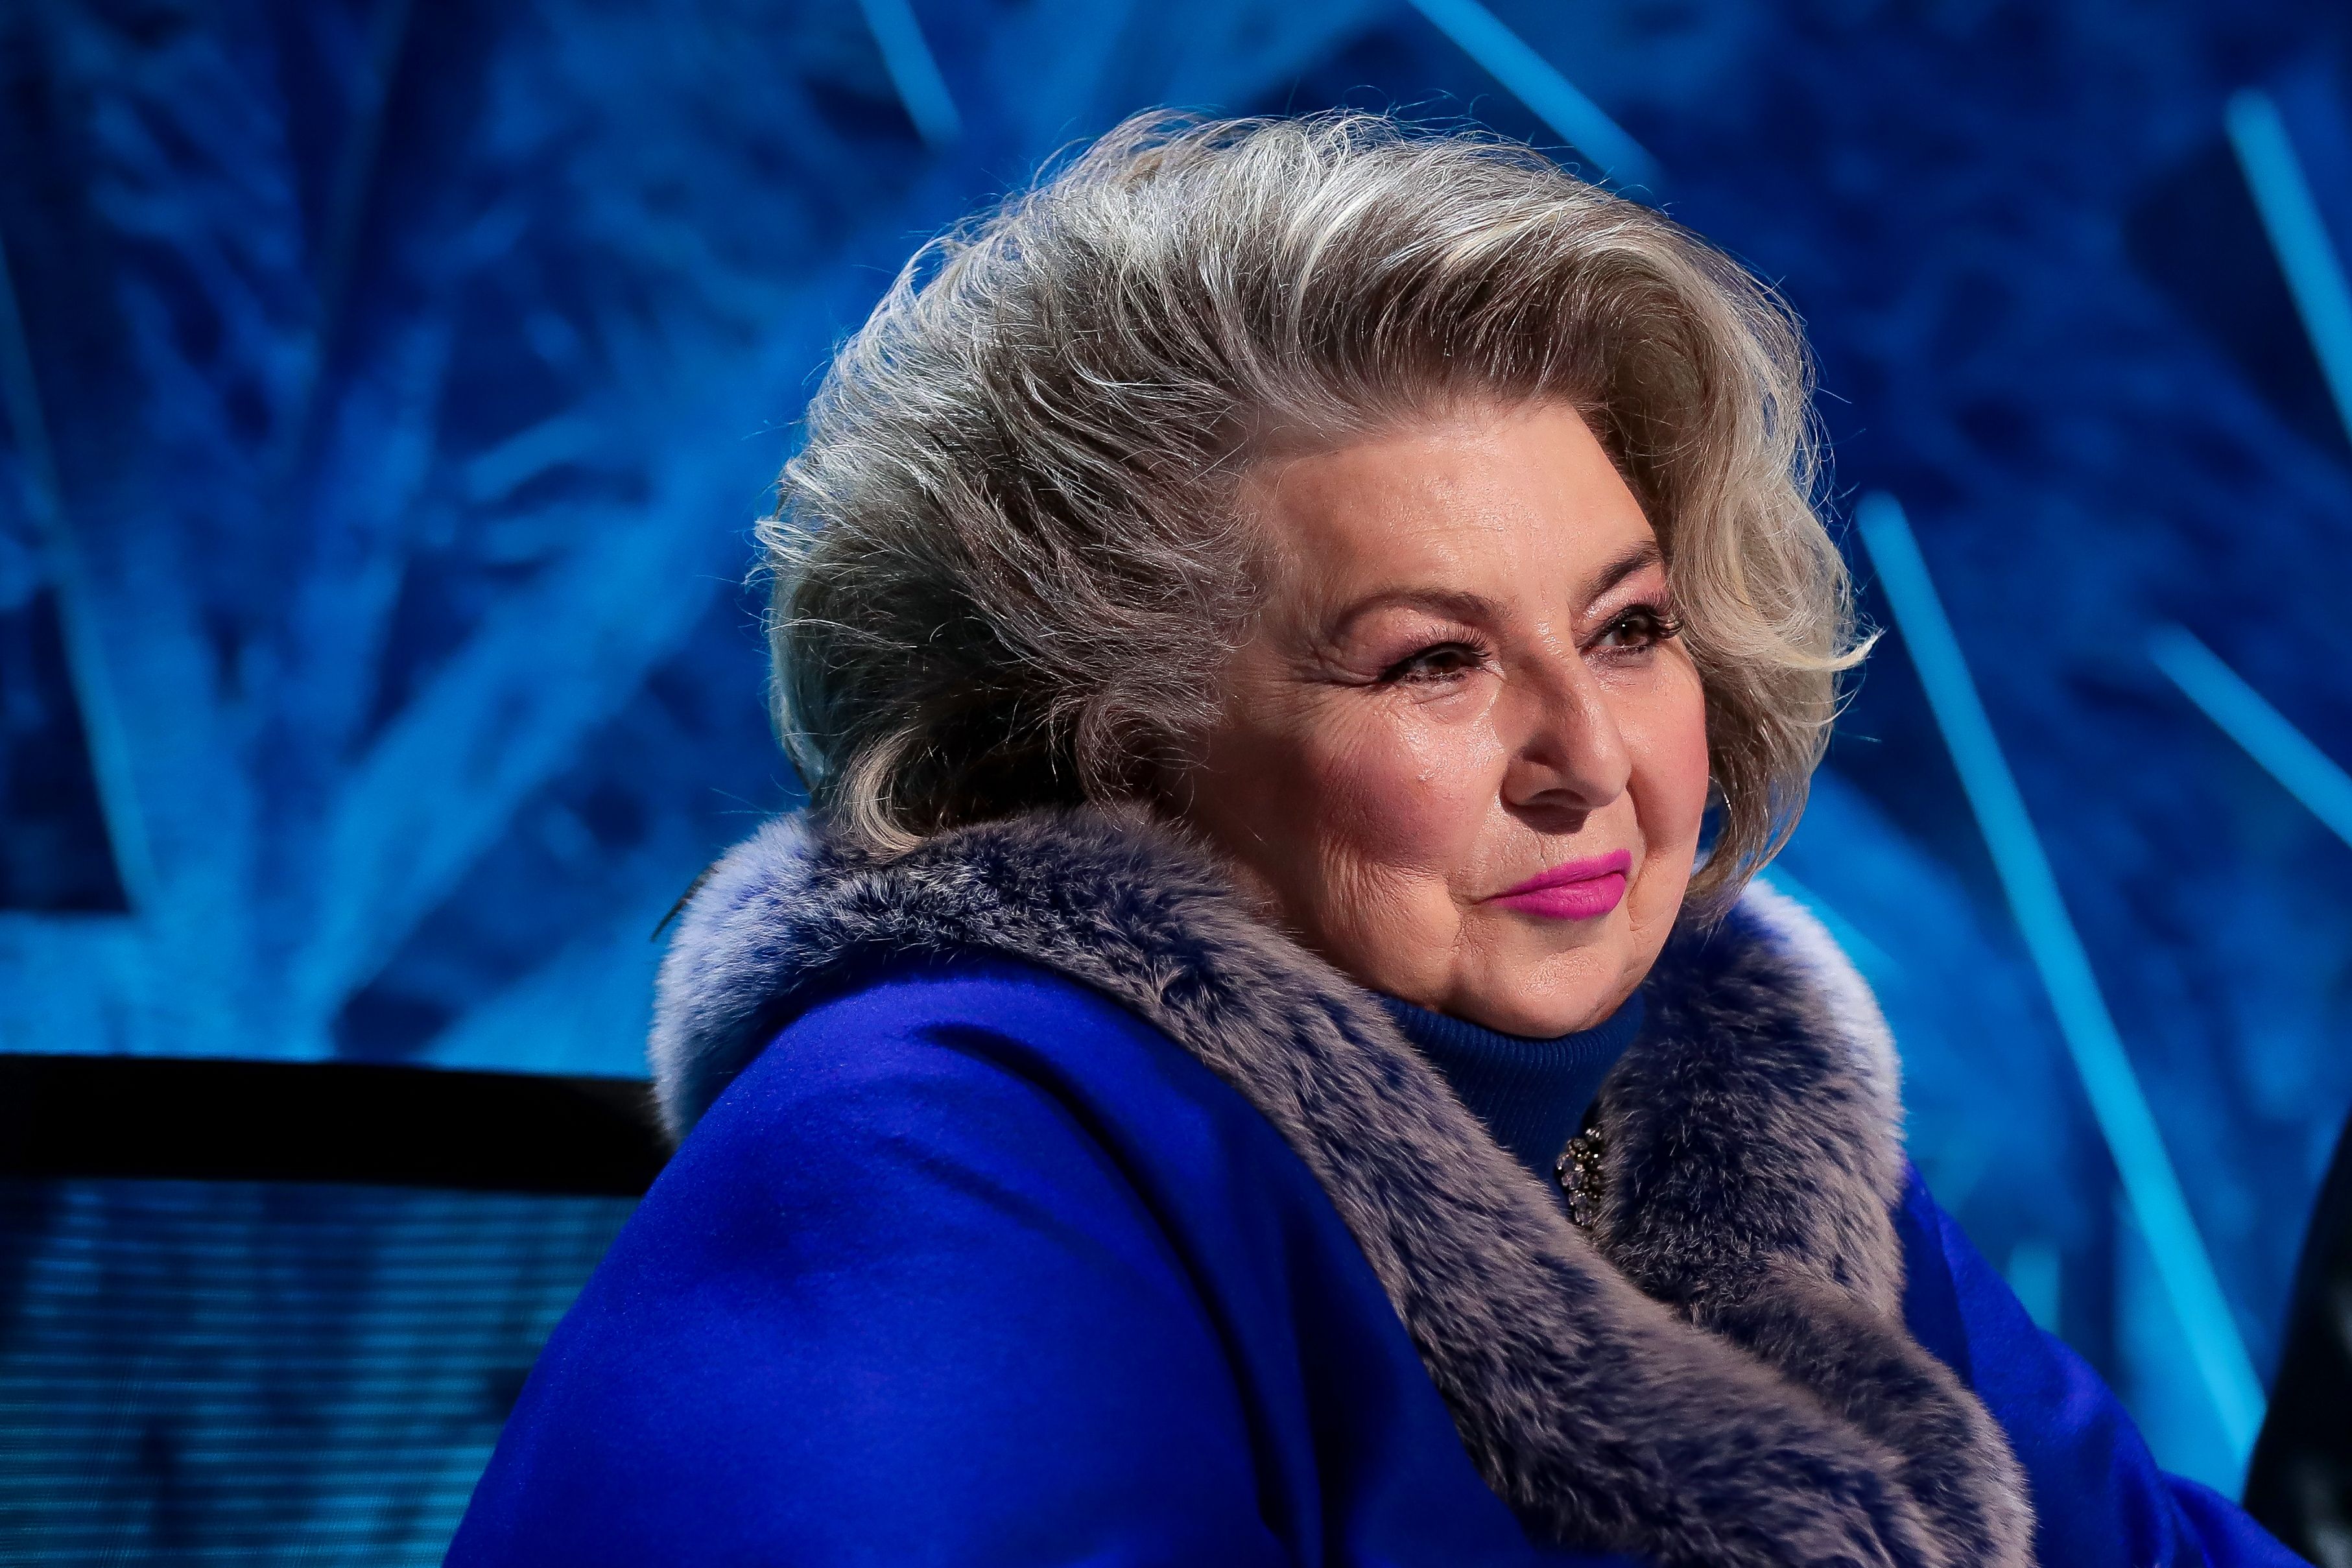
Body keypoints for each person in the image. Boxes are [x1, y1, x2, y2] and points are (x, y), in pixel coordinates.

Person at [447, 113, 2304, 1567]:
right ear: (1107, 740)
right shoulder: (929, 1135)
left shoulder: (1729, 1122)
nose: (1589, 760)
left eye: (1629, 629)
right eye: (1432, 663)